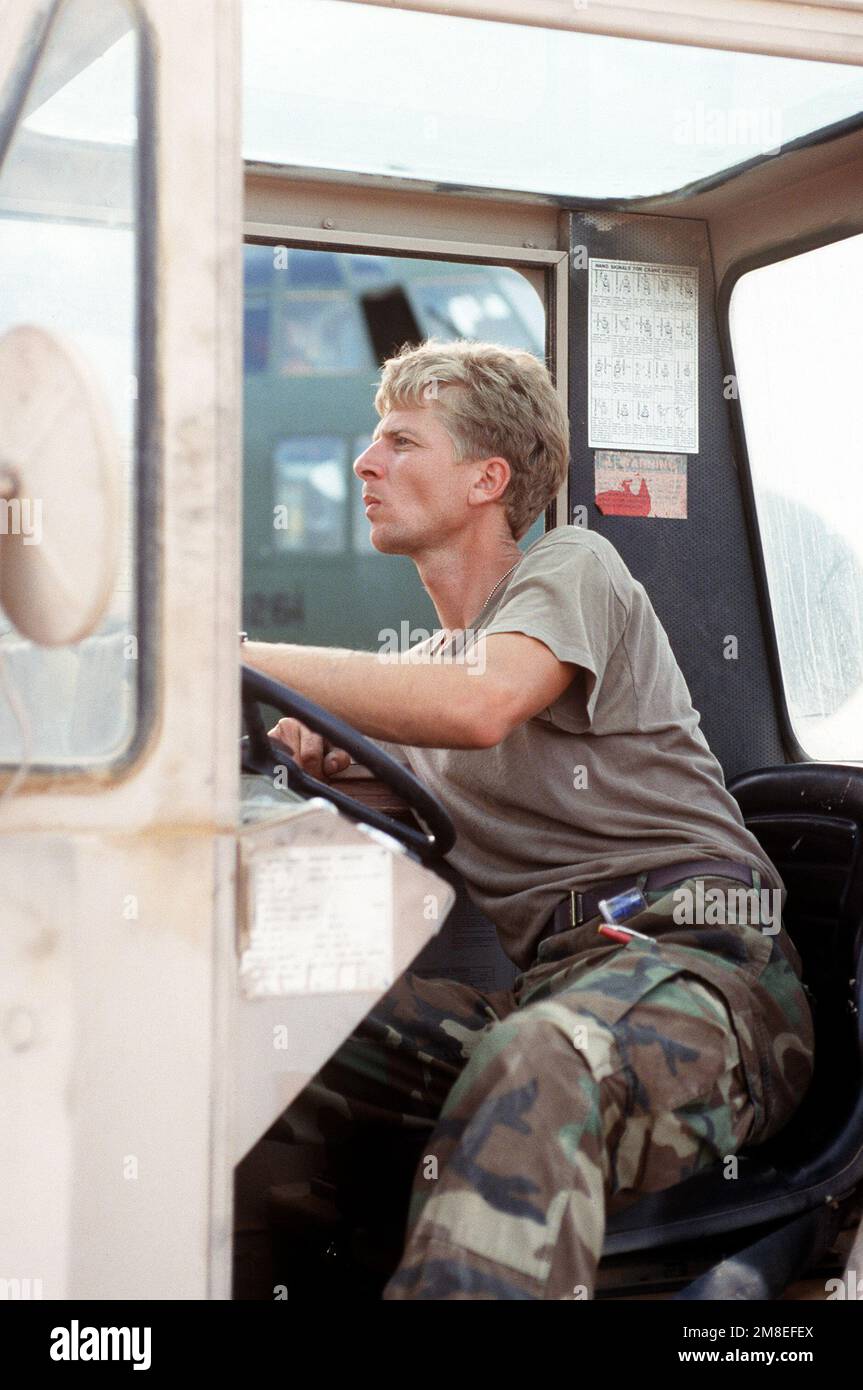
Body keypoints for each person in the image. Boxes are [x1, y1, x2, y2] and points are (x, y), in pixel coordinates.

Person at [240, 338, 815, 1300]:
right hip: (557, 989)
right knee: (280, 1031)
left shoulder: (571, 564)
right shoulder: (425, 666)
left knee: (540, 1056)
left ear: (486, 479)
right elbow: (410, 729)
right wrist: (305, 750)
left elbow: (480, 704)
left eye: (399, 442)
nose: (363, 464)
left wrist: (234, 650)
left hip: (706, 972)